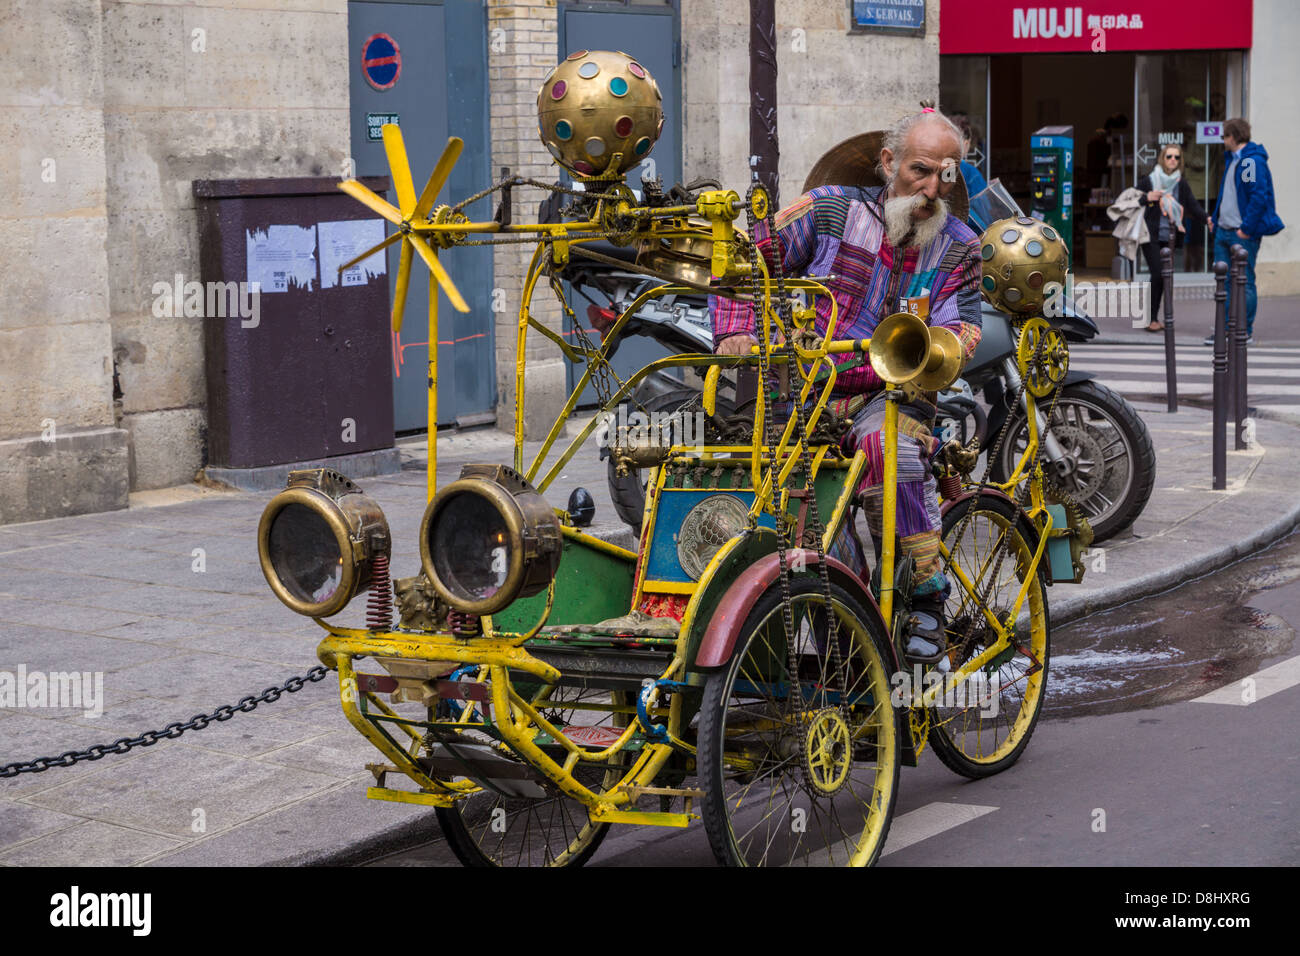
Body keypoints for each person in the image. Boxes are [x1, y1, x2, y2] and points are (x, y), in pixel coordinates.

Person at [710, 107, 982, 662]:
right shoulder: (830, 209)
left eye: (945, 176)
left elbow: (964, 326)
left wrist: (944, 345)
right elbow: (742, 260)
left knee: (889, 449)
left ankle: (927, 596)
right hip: (808, 392)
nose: (932, 188)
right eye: (920, 171)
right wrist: (734, 332)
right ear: (889, 163)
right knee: (796, 509)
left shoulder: (960, 245)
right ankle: (848, 621)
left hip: (897, 395)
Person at [1203, 118, 1285, 345]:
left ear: (1232, 137)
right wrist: (1216, 218)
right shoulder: (1234, 160)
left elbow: (1257, 197)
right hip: (1224, 230)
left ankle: (1243, 331)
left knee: (1245, 281)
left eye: (1224, 137)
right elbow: (1229, 195)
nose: (1223, 141)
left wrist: (1246, 230)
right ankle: (1228, 329)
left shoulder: (1249, 162)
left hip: (1240, 233)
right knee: (1225, 282)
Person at [1136, 144, 1205, 332]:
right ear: (1162, 158)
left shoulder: (1180, 183)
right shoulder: (1149, 180)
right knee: (1158, 273)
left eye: (1176, 157)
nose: (1172, 160)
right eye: (1169, 157)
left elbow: (1192, 204)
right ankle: (1150, 318)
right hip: (1150, 236)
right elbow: (1129, 200)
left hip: (1170, 237)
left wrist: (1207, 219)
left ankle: (1158, 318)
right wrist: (1147, 197)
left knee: (1164, 278)